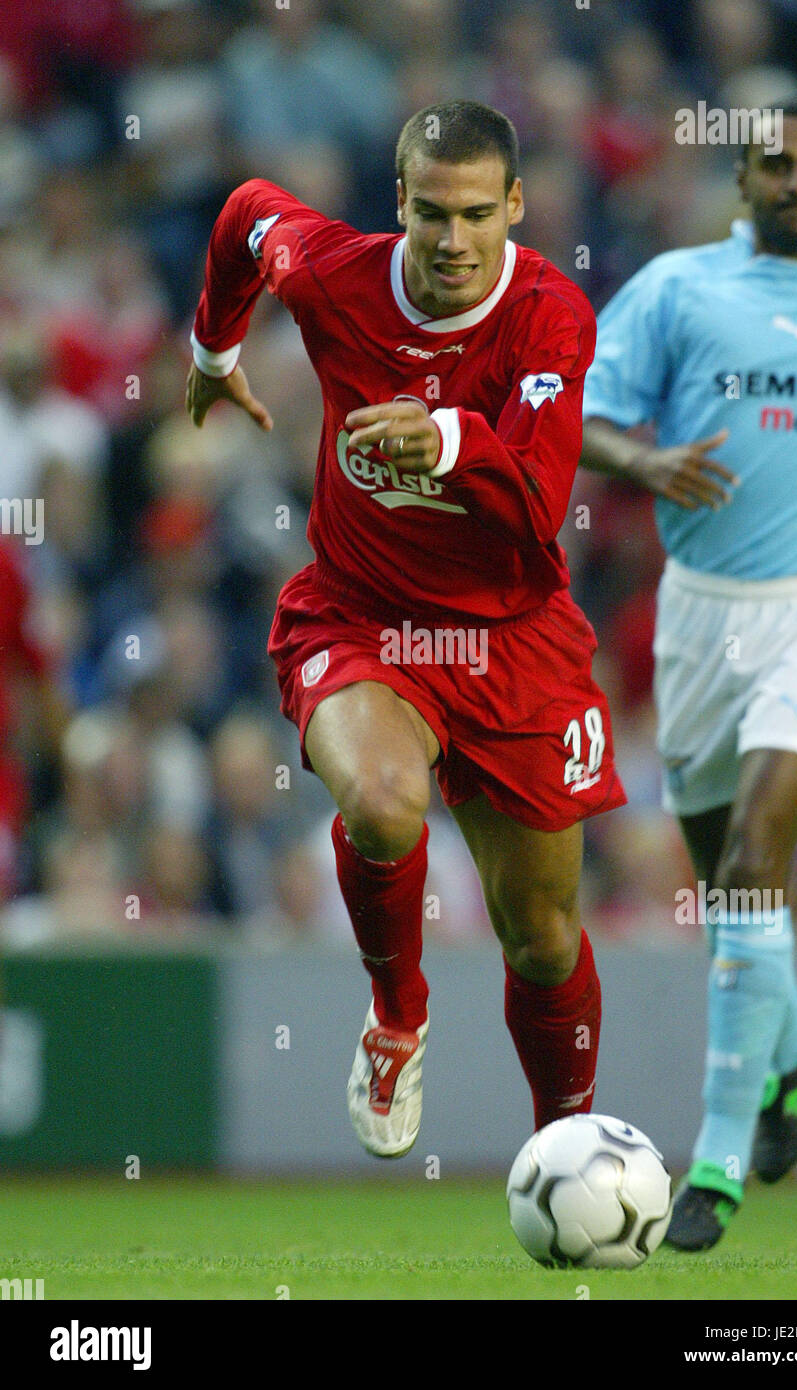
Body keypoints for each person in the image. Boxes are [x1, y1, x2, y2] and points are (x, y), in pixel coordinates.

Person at [186, 101, 626, 1158]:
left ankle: (566, 1148)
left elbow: (537, 492)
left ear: (514, 207)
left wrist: (441, 435)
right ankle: (396, 1013)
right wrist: (212, 346)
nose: (452, 239)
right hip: (363, 617)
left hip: (510, 640)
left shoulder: (549, 315)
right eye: (430, 212)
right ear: (399, 204)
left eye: (477, 213)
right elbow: (249, 212)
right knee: (383, 805)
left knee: (541, 934)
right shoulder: (335, 271)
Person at [580, 98, 797, 1248]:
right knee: (727, 901)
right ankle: (794, 1043)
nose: (793, 181)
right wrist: (643, 456)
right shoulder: (672, 288)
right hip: (700, 617)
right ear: (741, 179)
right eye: (772, 164)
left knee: (756, 859)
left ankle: (713, 1164)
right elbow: (581, 424)